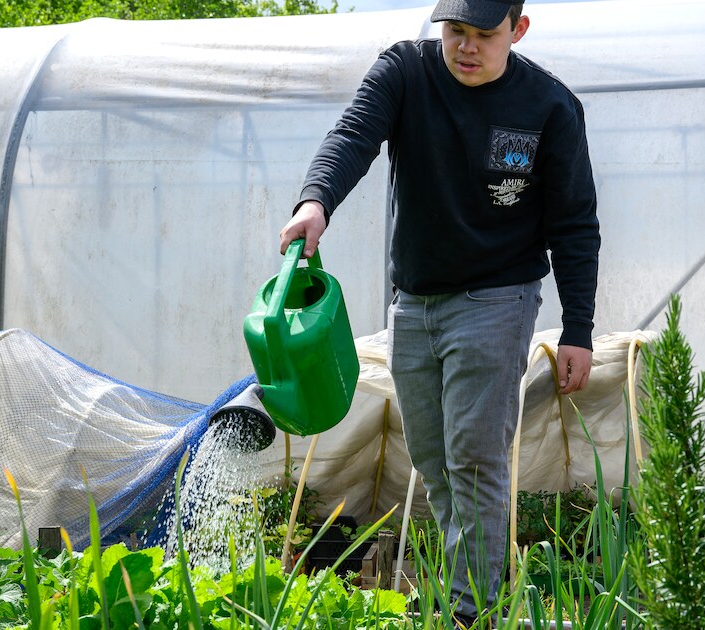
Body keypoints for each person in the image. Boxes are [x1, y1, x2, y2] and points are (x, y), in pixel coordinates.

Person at [278, 0, 599, 624]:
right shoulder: (405, 71)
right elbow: (353, 134)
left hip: (498, 297)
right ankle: (473, 588)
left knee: (474, 455)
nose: (467, 47)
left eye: (485, 33)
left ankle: (468, 610)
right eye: (456, 31)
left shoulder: (550, 108)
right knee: (433, 457)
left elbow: (574, 225)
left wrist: (578, 330)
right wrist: (316, 202)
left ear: (518, 29)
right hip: (415, 301)